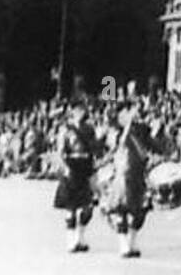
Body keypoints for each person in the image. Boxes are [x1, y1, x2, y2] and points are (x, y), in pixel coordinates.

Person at [101, 102, 154, 258]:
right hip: (123, 172)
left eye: (131, 111)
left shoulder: (142, 129)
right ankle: (123, 244)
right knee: (121, 209)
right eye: (126, 112)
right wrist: (127, 127)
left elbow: (152, 144)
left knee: (140, 211)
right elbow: (114, 145)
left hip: (139, 171)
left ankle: (132, 241)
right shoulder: (114, 130)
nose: (131, 114)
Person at [53, 102, 101, 254]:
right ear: (72, 112)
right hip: (71, 166)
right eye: (77, 110)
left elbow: (94, 147)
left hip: (86, 165)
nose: (80, 112)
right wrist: (65, 168)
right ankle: (70, 240)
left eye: (82, 110)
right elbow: (60, 152)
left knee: (88, 207)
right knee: (71, 207)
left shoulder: (89, 129)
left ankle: (80, 238)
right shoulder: (65, 130)